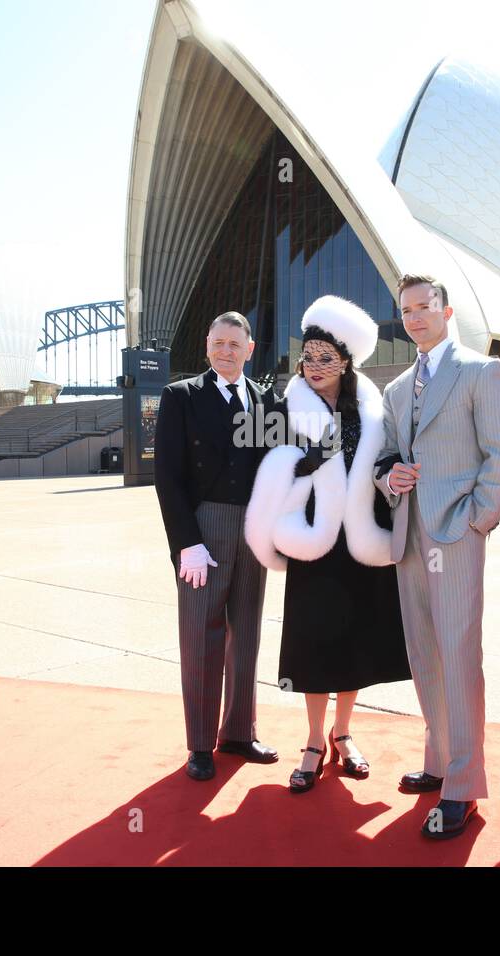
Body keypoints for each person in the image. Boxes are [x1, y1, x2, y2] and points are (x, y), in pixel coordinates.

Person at [373, 274, 500, 840]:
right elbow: (387, 456)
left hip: (455, 535)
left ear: (446, 310)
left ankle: (463, 784)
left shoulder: (481, 372)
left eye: (423, 307)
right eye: (406, 310)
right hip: (410, 536)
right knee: (424, 652)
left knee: (459, 656)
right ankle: (438, 760)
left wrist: (475, 521)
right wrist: (392, 476)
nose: (414, 318)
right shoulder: (396, 389)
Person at [244, 296, 411, 794]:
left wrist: (391, 477)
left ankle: (343, 734)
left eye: (326, 358)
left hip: (360, 543)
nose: (315, 367)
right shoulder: (285, 407)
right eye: (308, 357)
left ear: (346, 361)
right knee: (314, 642)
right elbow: (266, 466)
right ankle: (313, 741)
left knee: (354, 641)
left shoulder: (372, 407)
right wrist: (302, 464)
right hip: (315, 545)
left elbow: (385, 461)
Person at [154, 312, 284, 781]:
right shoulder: (181, 396)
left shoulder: (266, 399)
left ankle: (238, 732)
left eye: (235, 343)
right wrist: (186, 542)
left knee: (245, 630)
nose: (226, 351)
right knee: (201, 636)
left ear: (251, 349)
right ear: (207, 346)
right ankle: (201, 744)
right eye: (218, 342)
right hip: (204, 526)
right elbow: (167, 475)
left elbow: (282, 461)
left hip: (254, 528)